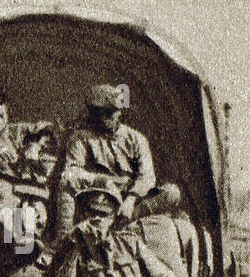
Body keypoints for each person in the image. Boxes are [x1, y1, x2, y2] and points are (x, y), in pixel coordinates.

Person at [53, 84, 179, 238]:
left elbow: (147, 176)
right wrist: (101, 180)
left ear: (119, 113)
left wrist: (131, 200)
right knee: (66, 182)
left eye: (110, 113)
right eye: (100, 113)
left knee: (172, 192)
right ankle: (64, 238)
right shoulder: (81, 138)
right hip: (97, 196)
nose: (105, 118)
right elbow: (72, 172)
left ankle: (120, 224)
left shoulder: (136, 139)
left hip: (129, 202)